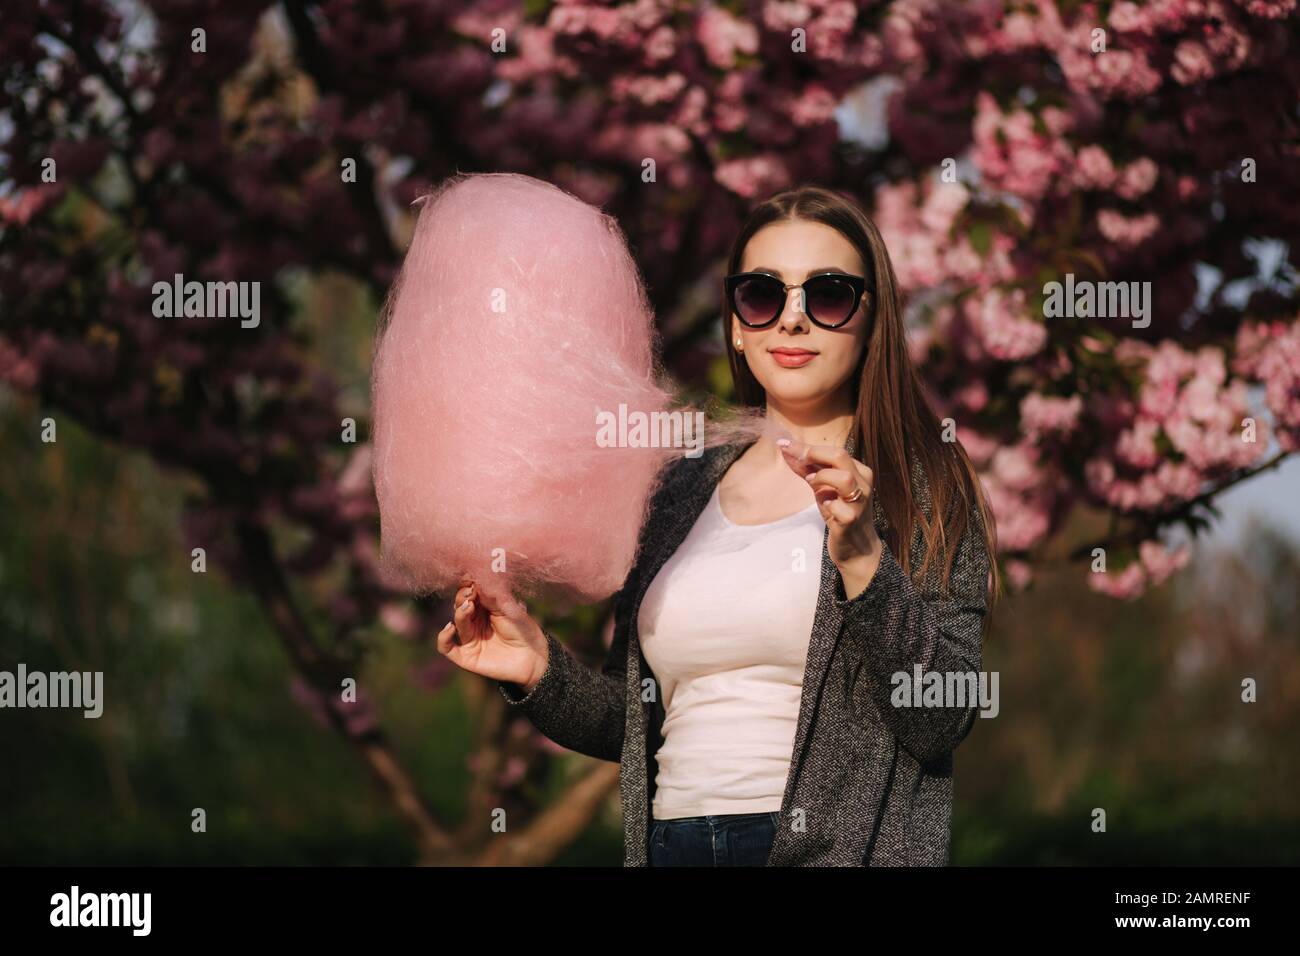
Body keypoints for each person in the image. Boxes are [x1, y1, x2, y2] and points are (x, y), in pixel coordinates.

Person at [436, 184, 1000, 866]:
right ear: (736, 323)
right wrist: (536, 668)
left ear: (872, 319)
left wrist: (863, 562)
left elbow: (943, 717)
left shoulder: (923, 486)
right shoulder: (679, 489)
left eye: (827, 295)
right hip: (672, 845)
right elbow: (634, 720)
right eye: (763, 296)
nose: (791, 321)